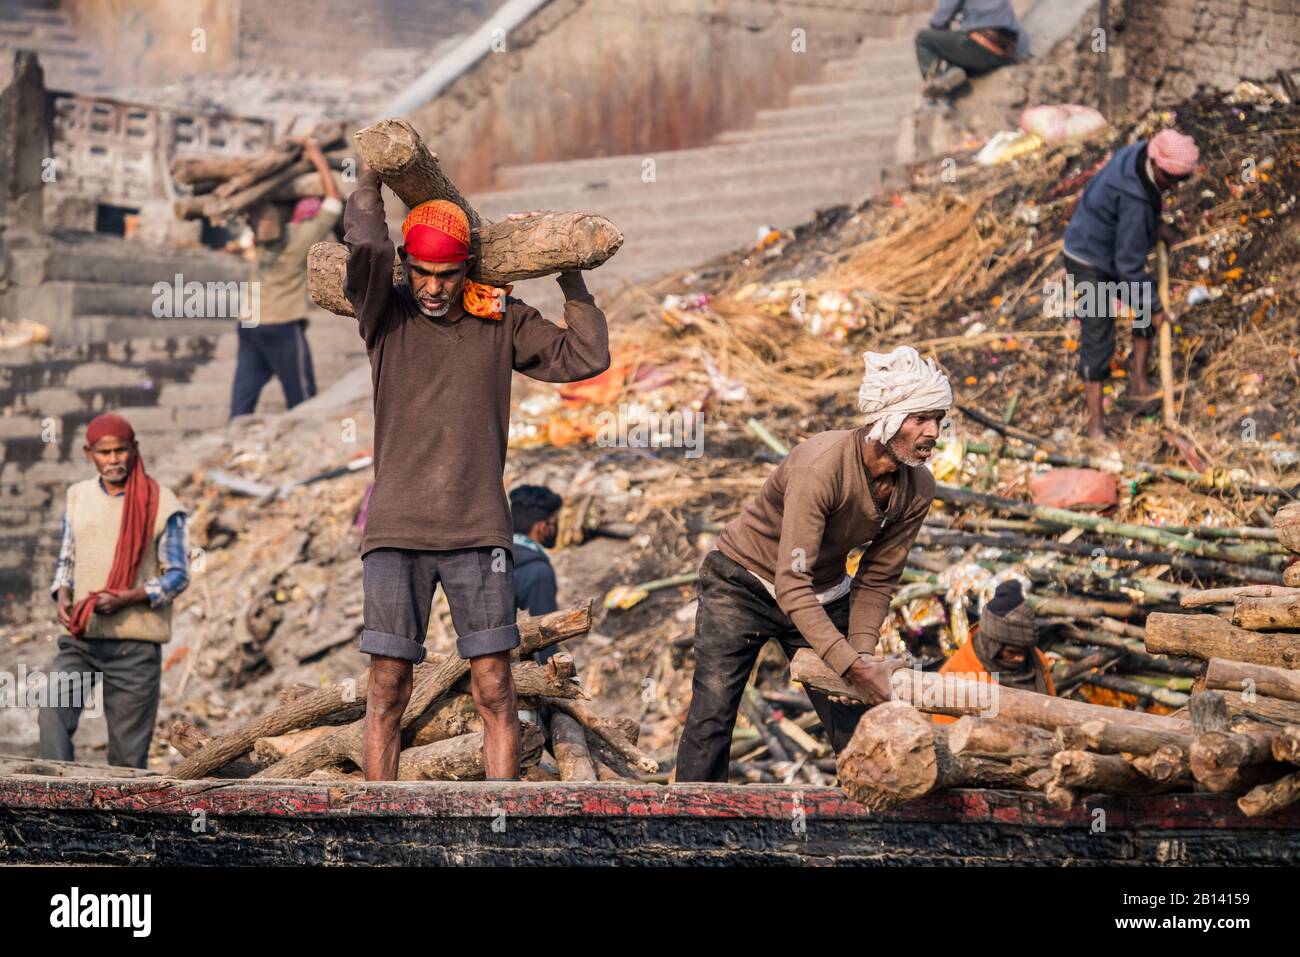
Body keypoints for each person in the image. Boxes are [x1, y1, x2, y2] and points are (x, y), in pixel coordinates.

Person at [343, 161, 609, 782]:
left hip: (479, 531)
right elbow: (370, 248)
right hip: (396, 530)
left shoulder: (501, 320)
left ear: (469, 271)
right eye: (423, 273)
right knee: (387, 685)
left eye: (447, 274)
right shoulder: (386, 314)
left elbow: (586, 355)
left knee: (494, 683)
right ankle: (377, 825)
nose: (433, 288)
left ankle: (499, 820)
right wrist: (366, 182)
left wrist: (568, 271)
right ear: (408, 269)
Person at [675, 346, 952, 782]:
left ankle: (873, 820)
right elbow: (790, 581)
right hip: (742, 583)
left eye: (938, 419)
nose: (933, 431)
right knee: (713, 711)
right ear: (888, 418)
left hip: (820, 592)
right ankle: (688, 825)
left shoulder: (916, 487)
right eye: (921, 418)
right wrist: (854, 667)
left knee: (854, 715)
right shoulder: (820, 467)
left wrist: (860, 656)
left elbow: (878, 578)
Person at [40, 413, 190, 768]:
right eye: (104, 453)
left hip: (134, 650)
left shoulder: (162, 502)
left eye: (120, 451)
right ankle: (57, 801)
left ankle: (117, 822)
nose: (113, 460)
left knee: (126, 756)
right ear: (88, 453)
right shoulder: (78, 497)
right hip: (82, 638)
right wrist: (62, 595)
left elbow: (178, 575)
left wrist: (130, 597)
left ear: (134, 450)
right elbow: (67, 559)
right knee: (52, 714)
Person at [1061, 128, 1199, 441]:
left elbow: (1148, 205)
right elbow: (1128, 268)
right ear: (1160, 168)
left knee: (1145, 306)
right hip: (1088, 258)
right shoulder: (1134, 198)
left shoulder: (1141, 153)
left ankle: (1139, 387)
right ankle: (1095, 428)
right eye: (1175, 181)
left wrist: (1158, 226)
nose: (1176, 187)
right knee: (1099, 336)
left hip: (1113, 250)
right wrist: (1155, 308)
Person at [230, 135, 342, 418]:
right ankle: (308, 441)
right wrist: (316, 157)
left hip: (250, 324)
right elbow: (333, 202)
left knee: (242, 401)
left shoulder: (262, 237)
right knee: (303, 399)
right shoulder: (302, 237)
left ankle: (233, 440)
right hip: (281, 325)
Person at [933, 580, 1055, 724]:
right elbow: (946, 735)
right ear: (993, 647)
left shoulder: (1036, 660)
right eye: (1012, 652)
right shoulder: (956, 676)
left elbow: (1052, 709)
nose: (1020, 658)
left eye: (1024, 651)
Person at [916, 0, 1023, 106]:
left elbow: (940, 20)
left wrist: (939, 37)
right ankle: (953, 72)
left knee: (923, 38)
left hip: (981, 46)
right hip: (1005, 52)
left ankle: (937, 86)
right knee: (957, 47)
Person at [509, 484, 562, 663]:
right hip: (521, 674)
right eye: (554, 522)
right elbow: (545, 635)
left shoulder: (492, 558)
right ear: (541, 526)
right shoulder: (538, 572)